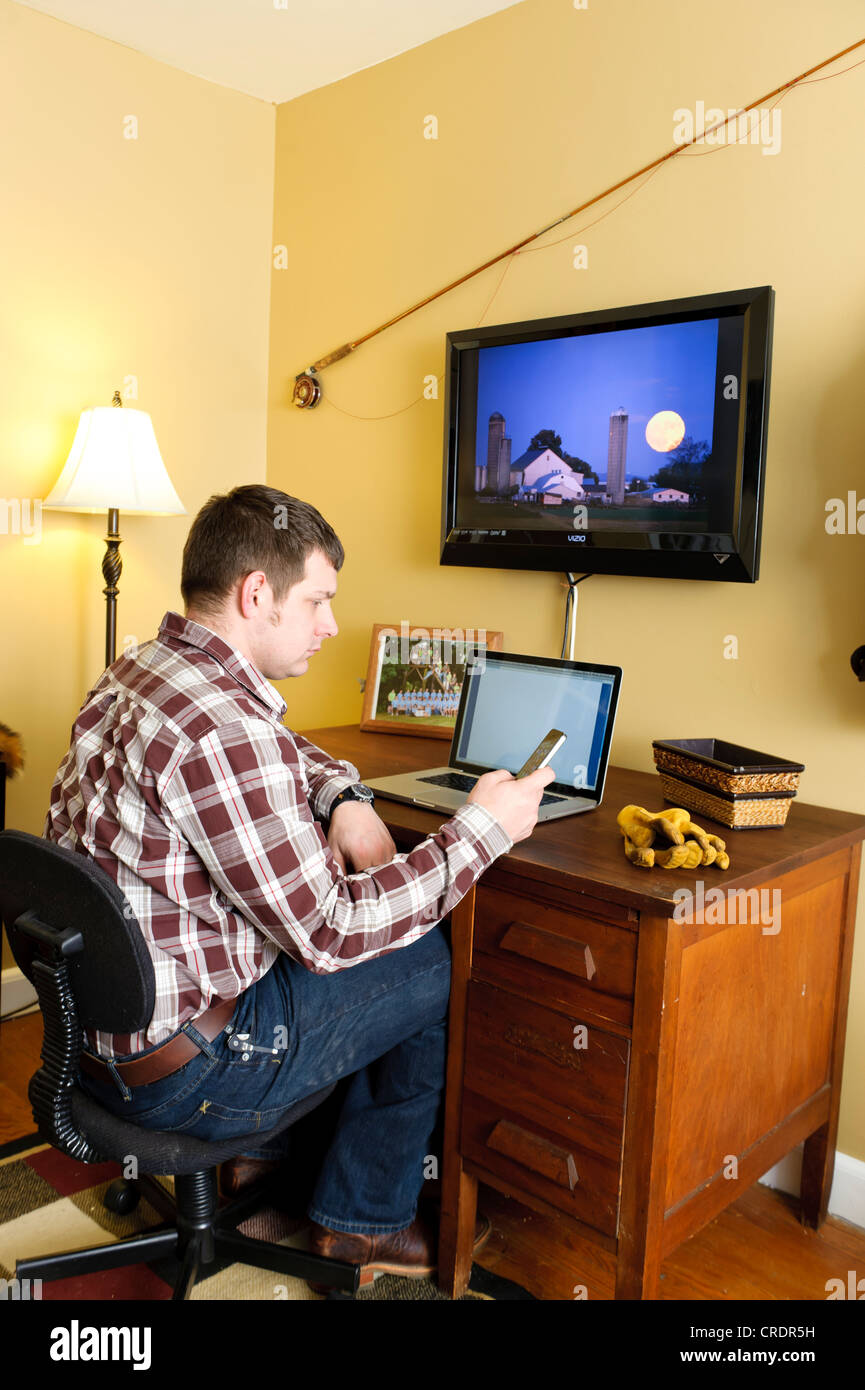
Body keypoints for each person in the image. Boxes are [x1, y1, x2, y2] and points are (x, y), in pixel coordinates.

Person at [44, 484, 554, 1291]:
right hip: (188, 1077)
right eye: (317, 600)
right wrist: (482, 829)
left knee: (340, 932)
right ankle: (364, 1220)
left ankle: (259, 1166)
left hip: (96, 1040)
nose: (330, 624)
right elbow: (332, 934)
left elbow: (280, 746)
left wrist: (343, 799)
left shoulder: (146, 669)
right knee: (427, 957)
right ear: (256, 594)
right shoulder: (224, 731)